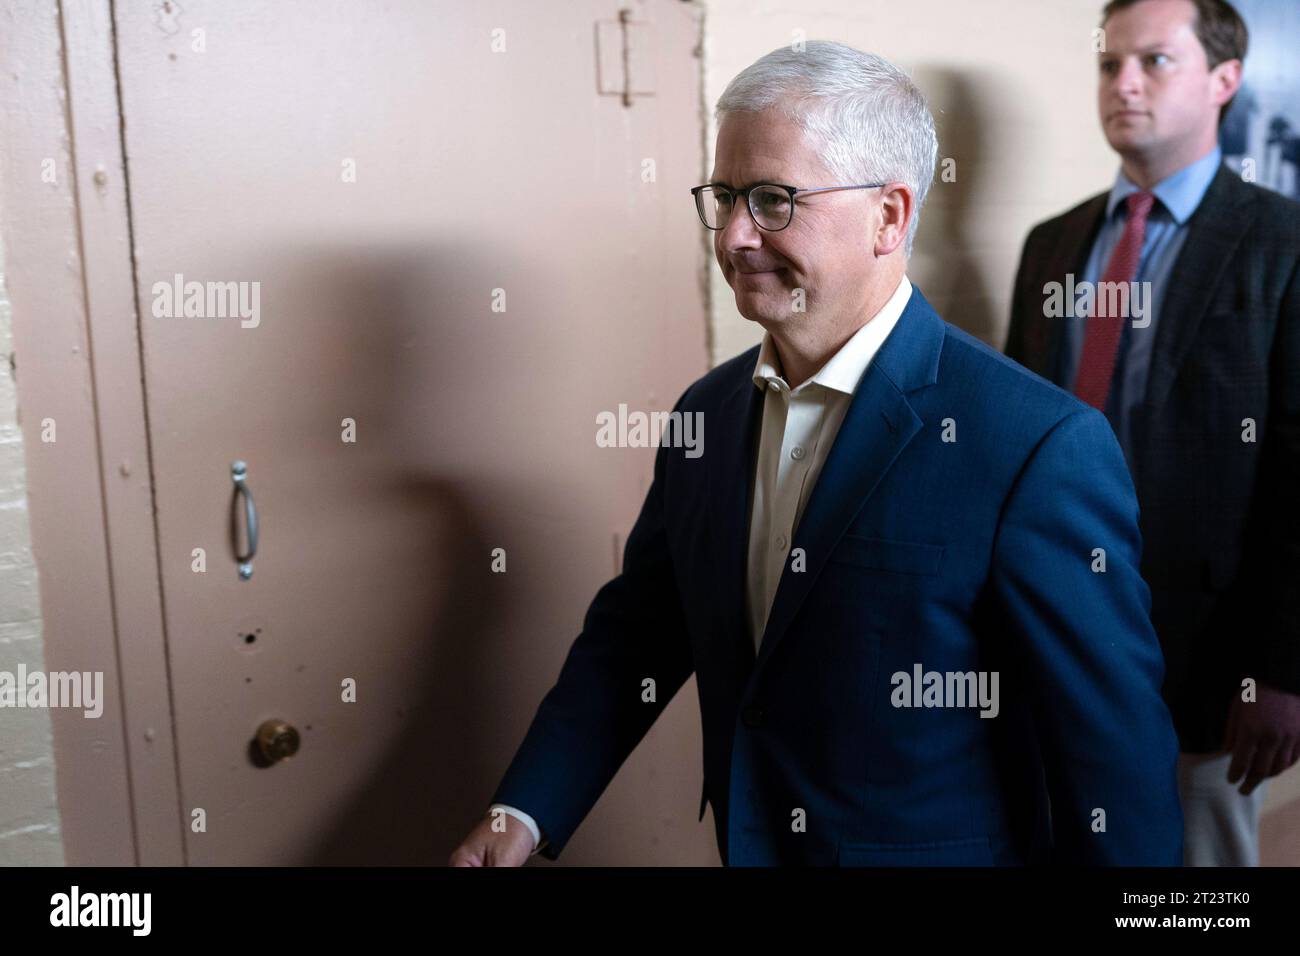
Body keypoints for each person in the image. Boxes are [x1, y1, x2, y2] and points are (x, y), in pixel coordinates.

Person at [452, 39, 1183, 867]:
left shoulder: (1036, 446)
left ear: (891, 216)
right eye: (725, 195)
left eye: (771, 199)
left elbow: (1113, 765)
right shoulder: (708, 416)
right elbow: (641, 632)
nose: (732, 236)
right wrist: (525, 810)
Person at [1004, 0, 1300, 866]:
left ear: (1224, 80)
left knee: (1196, 880)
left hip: (1211, 648)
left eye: (1155, 62)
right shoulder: (1051, 245)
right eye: (1109, 64)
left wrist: (1281, 668)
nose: (1123, 83)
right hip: (1052, 624)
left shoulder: (1282, 243)